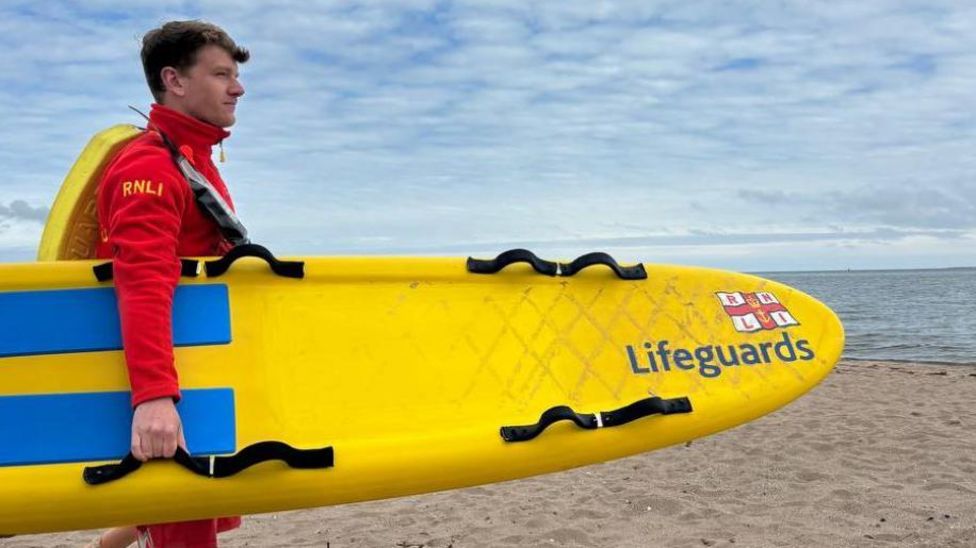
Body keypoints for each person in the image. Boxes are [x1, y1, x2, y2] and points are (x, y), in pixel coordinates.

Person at [88, 20, 248, 548]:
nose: (237, 88)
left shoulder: (191, 157)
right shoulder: (151, 165)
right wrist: (155, 397)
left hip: (199, 371)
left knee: (183, 508)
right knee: (184, 521)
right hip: (170, 380)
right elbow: (141, 282)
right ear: (174, 81)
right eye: (221, 74)